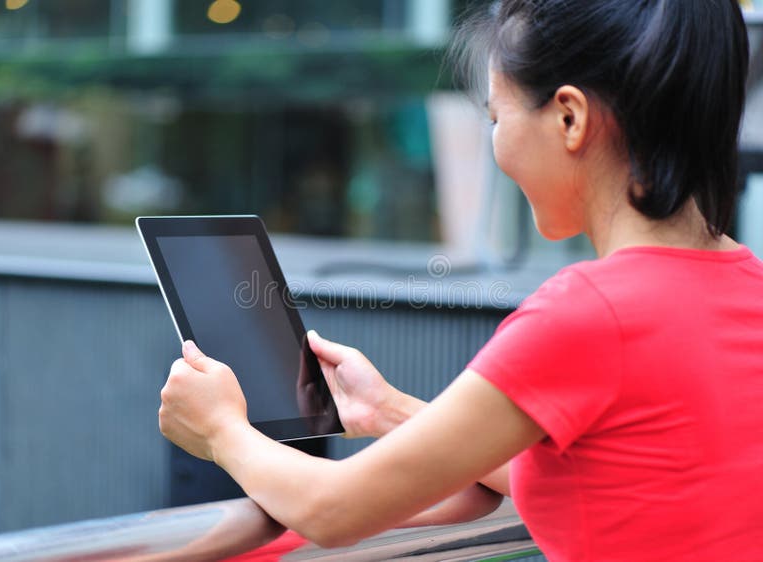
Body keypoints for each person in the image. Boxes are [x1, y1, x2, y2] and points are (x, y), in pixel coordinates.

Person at [157, 1, 763, 560]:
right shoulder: (746, 285)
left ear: (570, 118)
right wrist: (384, 409)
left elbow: (331, 509)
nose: (496, 143)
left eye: (496, 117)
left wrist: (220, 428)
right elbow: (605, 474)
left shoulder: (588, 313)